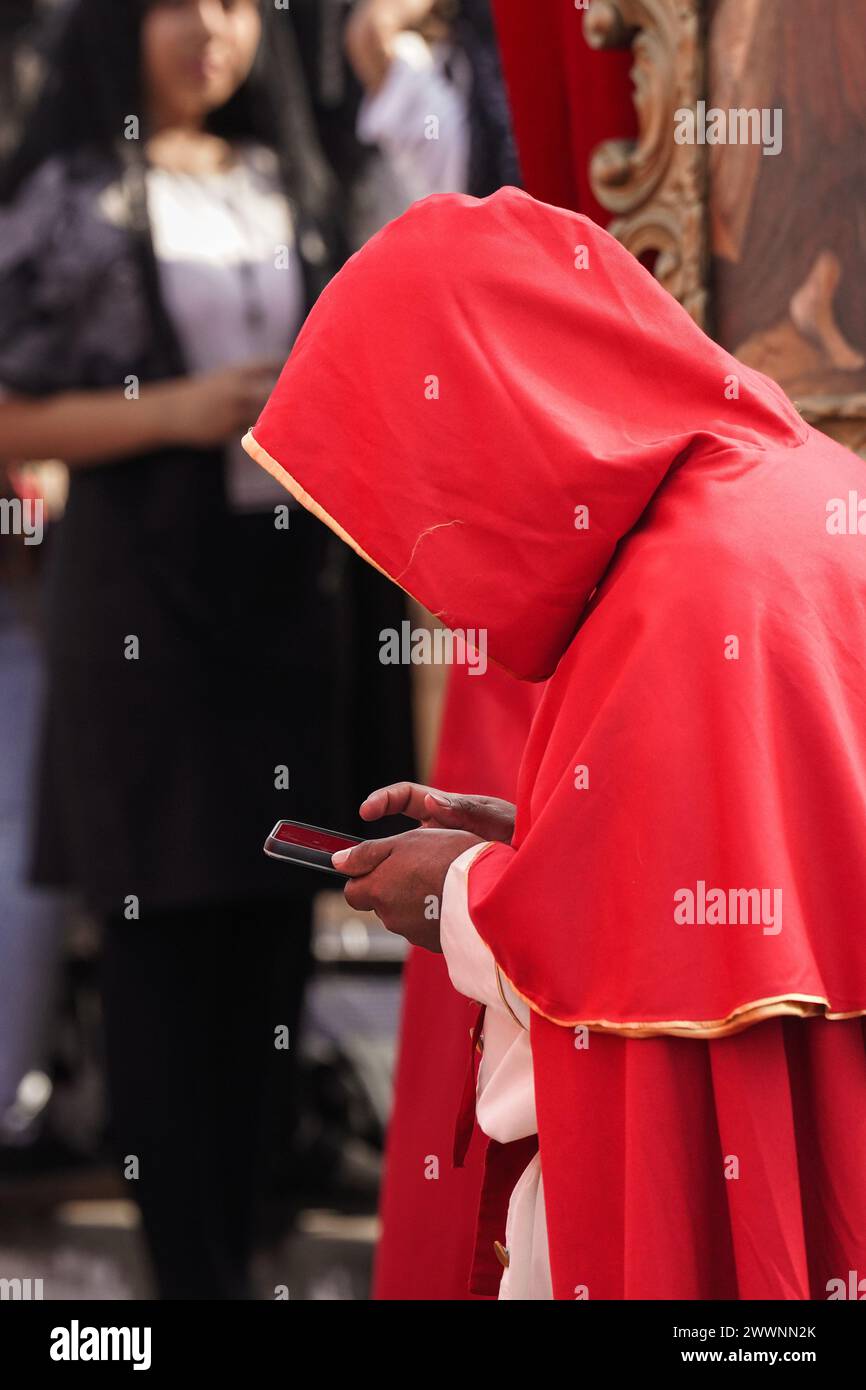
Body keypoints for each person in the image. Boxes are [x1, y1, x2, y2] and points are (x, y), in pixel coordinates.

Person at [242, 185, 866, 1299]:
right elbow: (740, 865)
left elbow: (655, 968)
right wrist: (547, 838)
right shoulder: (791, 488)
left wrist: (466, 898)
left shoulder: (684, 589)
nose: (433, 581)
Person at [0, 0, 375, 1299]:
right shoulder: (75, 187)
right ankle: (183, 1271)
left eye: (233, 4)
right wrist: (177, 409)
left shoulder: (297, 178)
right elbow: (8, 413)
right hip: (140, 605)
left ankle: (249, 1238)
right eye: (178, 3)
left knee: (271, 928)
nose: (209, 30)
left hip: (281, 596)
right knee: (158, 948)